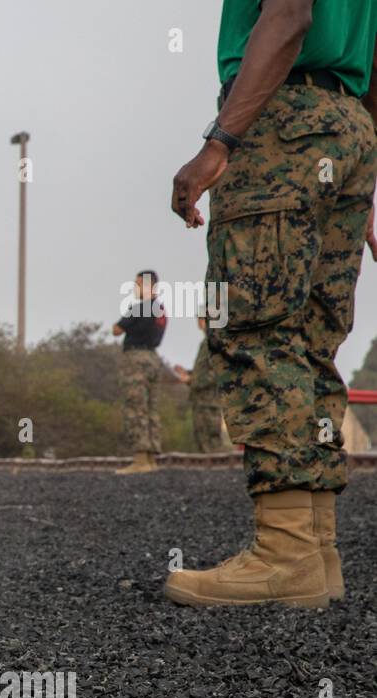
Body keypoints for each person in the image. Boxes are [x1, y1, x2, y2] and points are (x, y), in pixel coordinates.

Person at [166, 0, 377, 608]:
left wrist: (219, 141)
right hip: (350, 127)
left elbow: (287, 15)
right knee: (313, 338)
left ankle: (285, 554)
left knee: (257, 327)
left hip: (284, 124)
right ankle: (316, 549)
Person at [112, 271, 167, 475]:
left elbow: (117, 329)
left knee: (136, 407)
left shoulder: (140, 307)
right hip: (153, 358)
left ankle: (140, 458)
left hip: (136, 359)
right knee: (151, 408)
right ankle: (151, 458)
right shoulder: (160, 310)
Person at [174, 314, 226, 453]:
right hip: (202, 401)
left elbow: (216, 372)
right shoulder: (206, 343)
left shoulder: (214, 342)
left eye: (201, 319)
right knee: (202, 440)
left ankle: (217, 472)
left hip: (209, 402)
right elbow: (204, 371)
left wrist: (191, 380)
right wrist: (188, 373)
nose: (199, 322)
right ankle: (210, 472)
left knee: (211, 441)